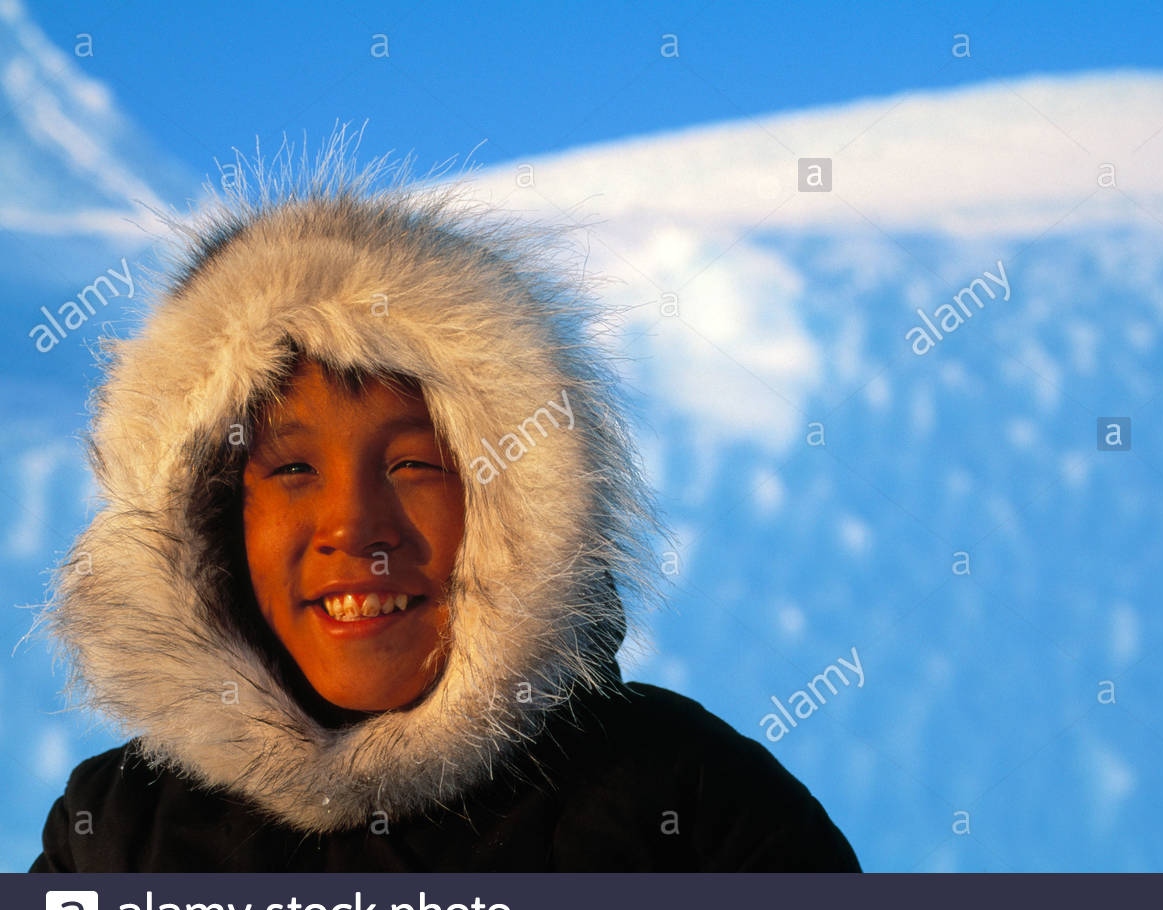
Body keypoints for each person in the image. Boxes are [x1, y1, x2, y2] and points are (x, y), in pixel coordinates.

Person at [28, 138, 860, 871]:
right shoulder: (116, 841)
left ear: (514, 500)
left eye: (416, 464)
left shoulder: (696, 820)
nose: (356, 527)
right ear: (207, 523)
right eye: (290, 472)